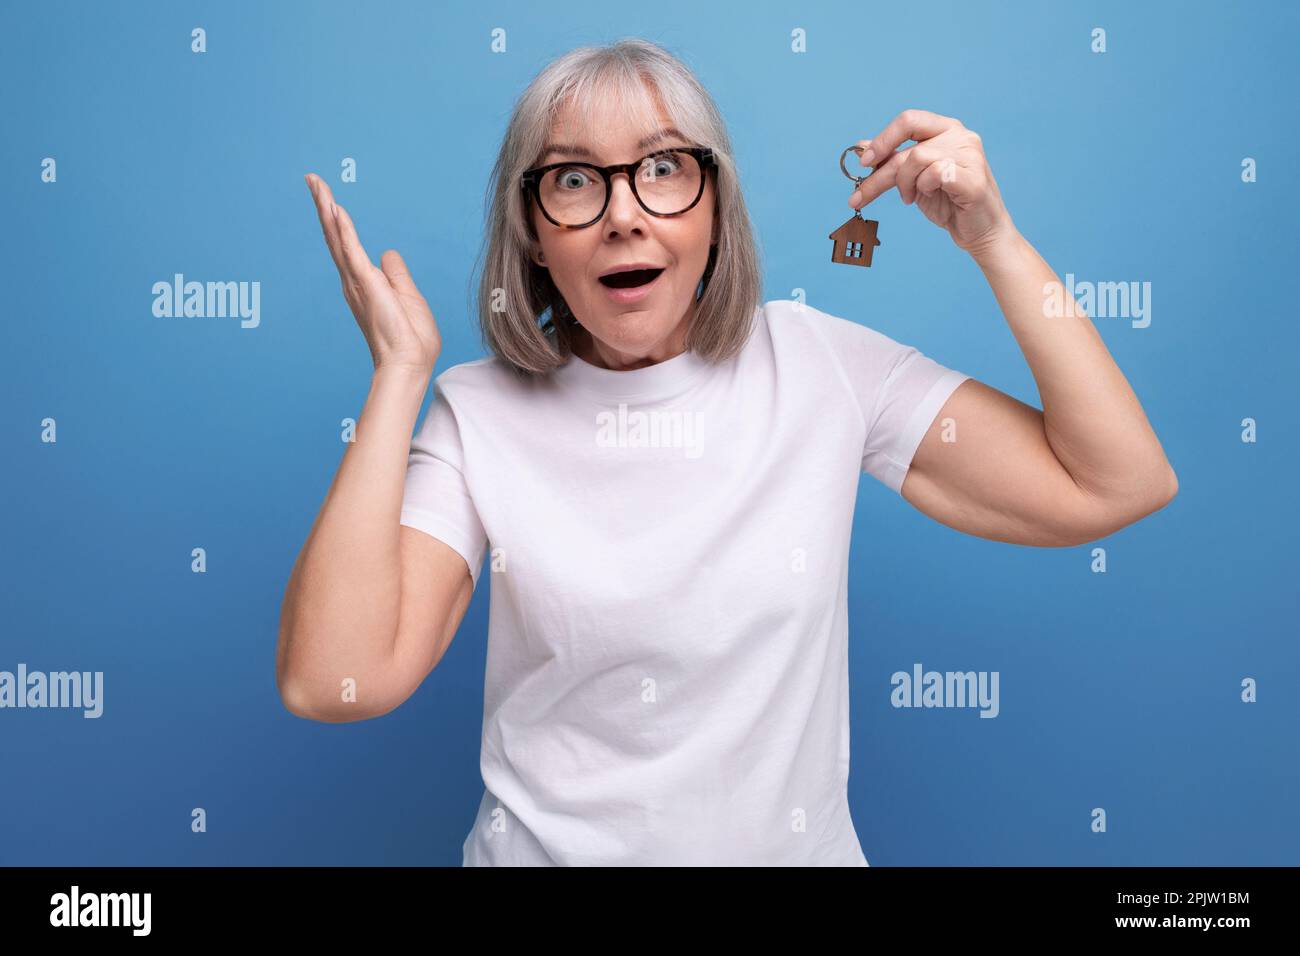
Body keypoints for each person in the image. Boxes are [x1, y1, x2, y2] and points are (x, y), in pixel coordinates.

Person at [276, 38, 1177, 866]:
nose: (624, 214)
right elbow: (333, 681)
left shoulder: (822, 365)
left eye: (664, 168)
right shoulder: (477, 415)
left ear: (716, 207)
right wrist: (399, 376)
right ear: (532, 234)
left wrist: (995, 241)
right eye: (575, 180)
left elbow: (1114, 484)